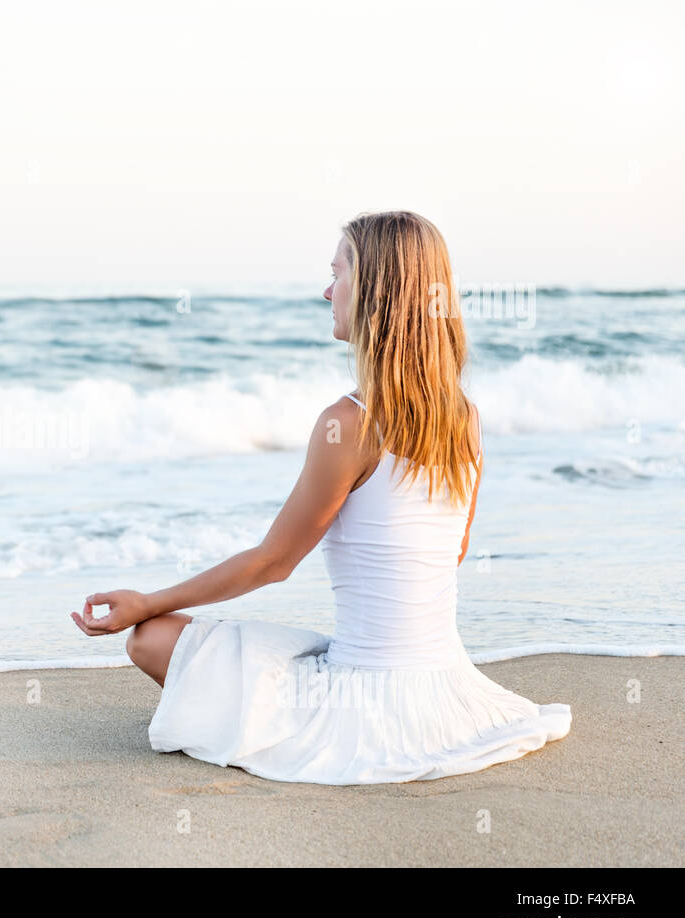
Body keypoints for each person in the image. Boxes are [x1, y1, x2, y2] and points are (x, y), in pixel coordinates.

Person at [70, 210, 571, 785]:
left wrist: (148, 602)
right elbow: (452, 552)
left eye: (338, 273)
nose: (327, 290)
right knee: (275, 647)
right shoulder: (466, 418)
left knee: (151, 638)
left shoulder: (348, 423)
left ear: (377, 291)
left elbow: (273, 563)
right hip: (448, 683)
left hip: (365, 695)